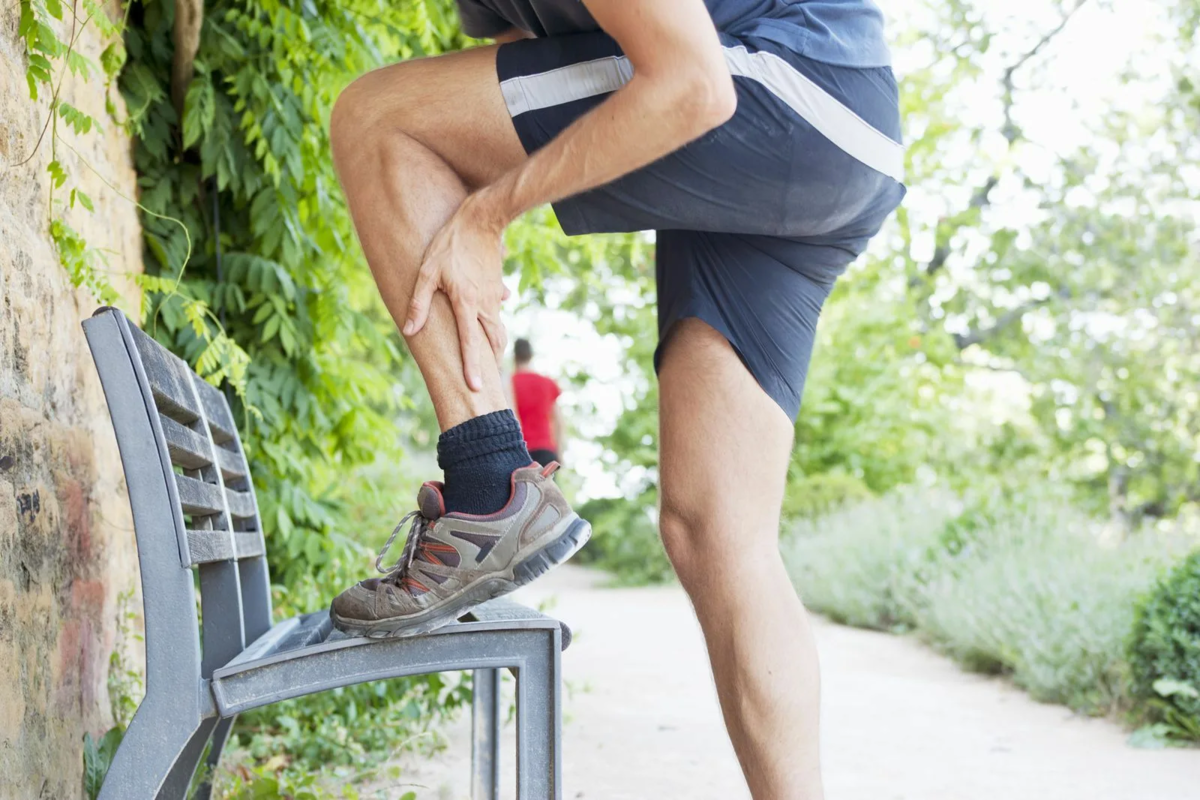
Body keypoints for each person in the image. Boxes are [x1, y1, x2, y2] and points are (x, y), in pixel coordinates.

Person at [326, 0, 904, 796]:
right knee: (714, 531)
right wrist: (461, 217)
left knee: (379, 115)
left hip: (782, 89)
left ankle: (489, 488)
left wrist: (488, 215)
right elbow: (522, 79)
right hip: (827, 139)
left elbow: (694, 85)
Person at [509, 338, 564, 466]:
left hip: (520, 451)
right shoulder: (548, 383)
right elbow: (559, 422)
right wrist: (559, 453)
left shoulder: (510, 384)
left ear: (515, 356)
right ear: (531, 355)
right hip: (546, 451)